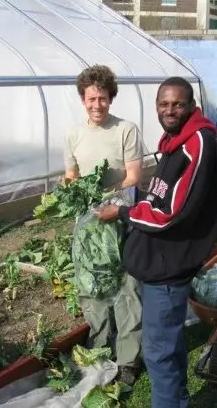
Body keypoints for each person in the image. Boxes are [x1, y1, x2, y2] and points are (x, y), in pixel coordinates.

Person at [95, 76, 217, 407]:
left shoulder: (197, 143)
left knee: (158, 351)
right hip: (162, 260)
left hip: (170, 264)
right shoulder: (175, 140)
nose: (170, 110)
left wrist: (123, 212)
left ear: (191, 106)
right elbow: (163, 195)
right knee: (169, 343)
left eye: (178, 104)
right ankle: (178, 400)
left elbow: (171, 214)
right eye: (164, 104)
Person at [64, 64, 145, 384]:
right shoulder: (73, 134)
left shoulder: (126, 129)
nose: (97, 104)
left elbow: (134, 176)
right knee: (90, 286)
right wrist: (70, 189)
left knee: (127, 288)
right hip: (87, 222)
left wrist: (110, 202)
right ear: (82, 100)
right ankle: (99, 347)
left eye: (103, 98)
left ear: (111, 98)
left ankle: (128, 359)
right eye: (91, 98)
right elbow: (71, 175)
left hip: (120, 215)